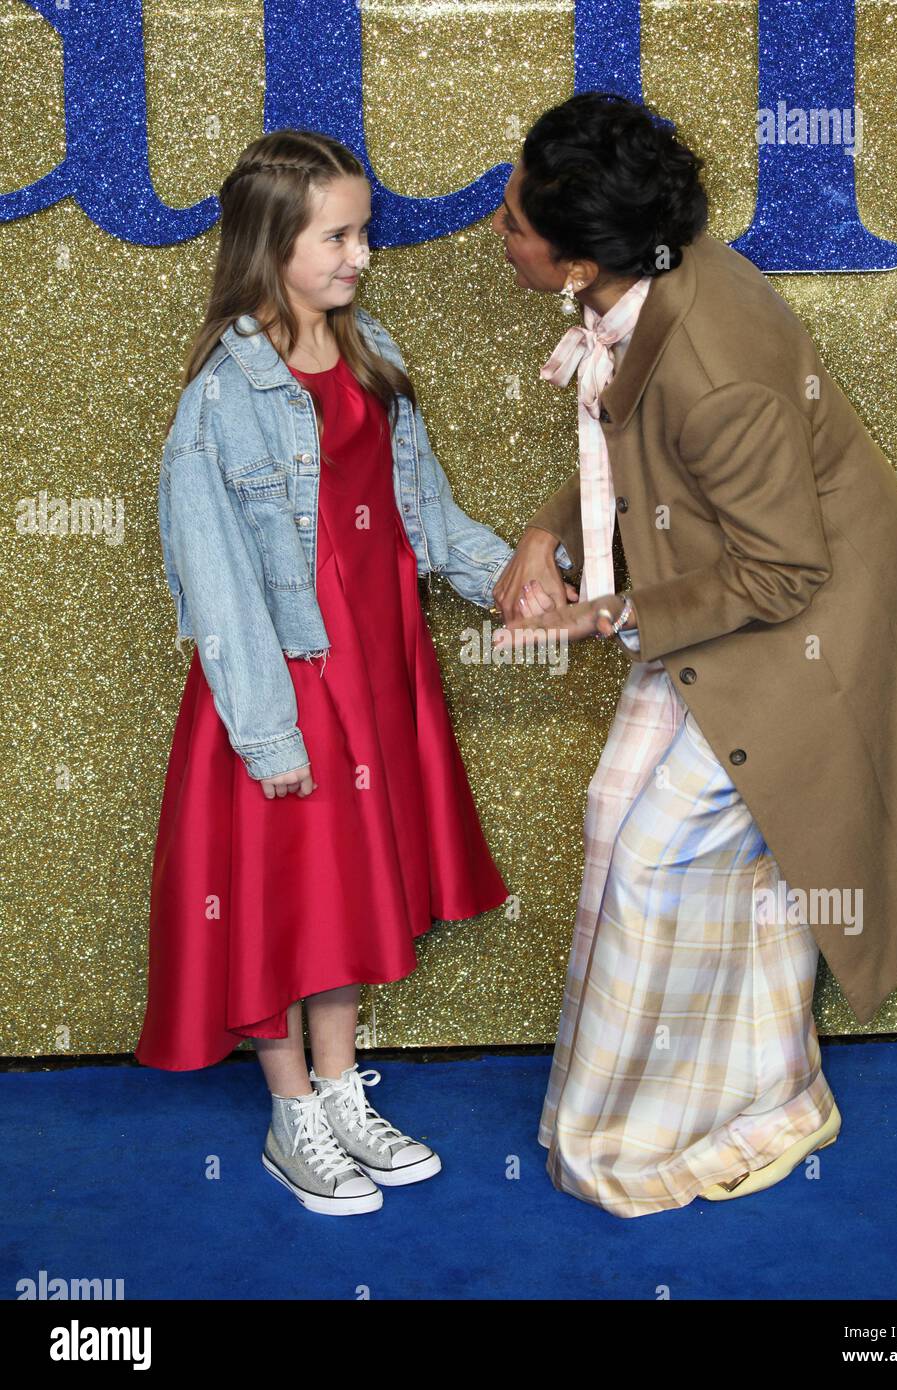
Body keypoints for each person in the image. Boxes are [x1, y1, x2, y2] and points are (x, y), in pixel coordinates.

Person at [492, 92, 897, 1217]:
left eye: (510, 219)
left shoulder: (715, 358)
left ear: (572, 260)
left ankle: (687, 1124)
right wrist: (548, 533)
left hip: (793, 625)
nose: (493, 229)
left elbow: (784, 572)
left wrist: (597, 615)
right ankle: (748, 1085)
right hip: (704, 585)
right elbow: (625, 442)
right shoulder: (640, 282)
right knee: (613, 811)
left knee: (658, 858)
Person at [134, 128, 570, 1216]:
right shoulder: (223, 394)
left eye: (364, 231)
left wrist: (523, 581)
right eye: (338, 235)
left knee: (335, 895)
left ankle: (337, 1086)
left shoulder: (369, 351)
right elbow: (218, 581)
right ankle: (292, 1115)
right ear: (271, 242)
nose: (361, 254)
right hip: (286, 683)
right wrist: (269, 734)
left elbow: (424, 518)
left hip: (376, 668)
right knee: (281, 895)